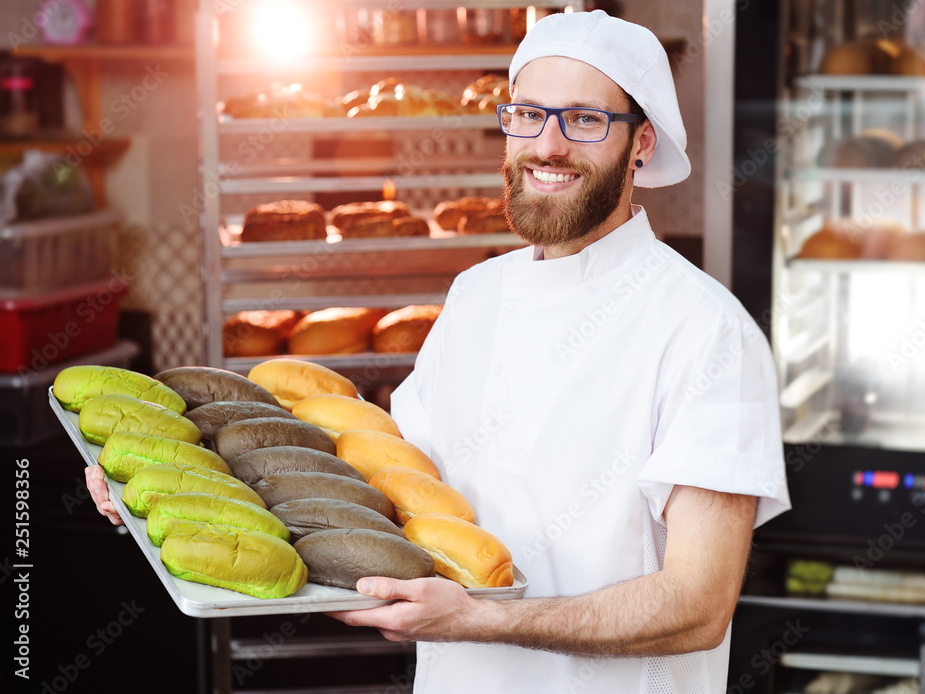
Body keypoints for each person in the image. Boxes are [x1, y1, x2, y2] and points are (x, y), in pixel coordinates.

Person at [85, 10, 791, 693]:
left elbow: (699, 605)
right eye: (527, 113)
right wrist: (171, 474)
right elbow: (382, 477)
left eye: (585, 119)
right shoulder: (478, 295)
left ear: (639, 143)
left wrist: (483, 619)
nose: (548, 146)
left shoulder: (705, 331)